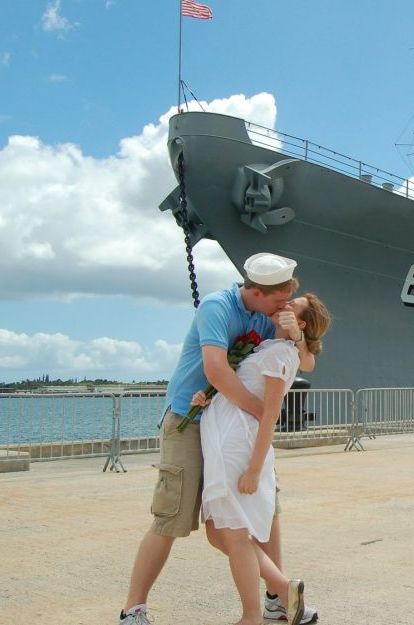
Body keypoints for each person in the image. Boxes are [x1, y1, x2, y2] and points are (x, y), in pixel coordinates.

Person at [119, 253, 317, 625]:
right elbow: (216, 369)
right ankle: (134, 608)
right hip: (190, 420)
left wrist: (298, 333)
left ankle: (278, 599)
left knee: (263, 513)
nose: (284, 306)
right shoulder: (217, 307)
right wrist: (263, 414)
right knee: (172, 515)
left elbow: (305, 362)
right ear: (255, 292)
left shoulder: (268, 312)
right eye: (279, 300)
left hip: (232, 427)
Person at [195, 294, 330, 625]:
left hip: (237, 445)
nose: (283, 306)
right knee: (217, 531)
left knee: (234, 534)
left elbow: (270, 414)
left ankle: (252, 616)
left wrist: (254, 470)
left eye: (291, 307)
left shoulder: (280, 354)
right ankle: (284, 589)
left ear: (299, 323)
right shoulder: (271, 347)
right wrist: (209, 401)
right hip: (226, 437)